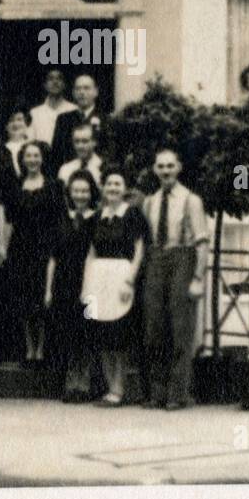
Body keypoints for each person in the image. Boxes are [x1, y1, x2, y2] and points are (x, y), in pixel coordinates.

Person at [140, 148, 210, 410]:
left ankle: (177, 393)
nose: (166, 171)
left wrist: (198, 278)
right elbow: (145, 242)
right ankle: (157, 392)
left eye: (170, 166)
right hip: (157, 261)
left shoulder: (191, 200)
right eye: (161, 166)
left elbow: (202, 242)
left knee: (180, 330)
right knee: (154, 329)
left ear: (179, 167)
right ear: (155, 169)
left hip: (183, 258)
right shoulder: (150, 201)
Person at [82, 166, 149, 407]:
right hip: (98, 279)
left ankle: (119, 390)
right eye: (109, 184)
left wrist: (130, 279)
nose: (113, 188)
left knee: (119, 337)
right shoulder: (96, 217)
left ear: (124, 189)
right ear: (103, 188)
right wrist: (86, 287)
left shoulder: (132, 215)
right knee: (101, 335)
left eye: (117, 184)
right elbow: (90, 252)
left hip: (121, 277)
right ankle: (110, 388)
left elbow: (140, 250)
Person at [0, 141, 64, 365]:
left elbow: (59, 219)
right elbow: (9, 220)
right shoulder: (15, 187)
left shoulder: (54, 185)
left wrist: (56, 247)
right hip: (20, 247)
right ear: (22, 159)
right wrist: (3, 247)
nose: (32, 160)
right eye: (28, 156)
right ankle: (29, 349)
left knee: (42, 298)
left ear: (42, 158)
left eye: (36, 156)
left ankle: (42, 349)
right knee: (24, 299)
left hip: (44, 246)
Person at [45, 169, 98, 403]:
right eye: (76, 190)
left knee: (86, 331)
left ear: (91, 192)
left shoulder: (97, 219)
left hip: (89, 283)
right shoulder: (59, 219)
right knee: (66, 331)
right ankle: (70, 383)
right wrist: (48, 289)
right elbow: (52, 258)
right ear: (69, 192)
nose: (80, 194)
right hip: (64, 282)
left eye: (85, 190)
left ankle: (84, 383)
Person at [51, 74, 103, 169]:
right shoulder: (63, 120)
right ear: (73, 93)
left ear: (96, 92)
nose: (82, 92)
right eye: (78, 89)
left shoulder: (105, 120)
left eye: (86, 88)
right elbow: (56, 155)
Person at [29, 69, 75, 148]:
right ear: (45, 85)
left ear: (64, 84)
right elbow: (30, 141)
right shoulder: (35, 113)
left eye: (59, 78)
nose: (55, 82)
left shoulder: (73, 109)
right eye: (51, 78)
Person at [57, 122, 103, 187]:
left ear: (94, 142)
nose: (80, 146)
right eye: (77, 141)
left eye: (85, 141)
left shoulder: (102, 168)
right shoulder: (65, 169)